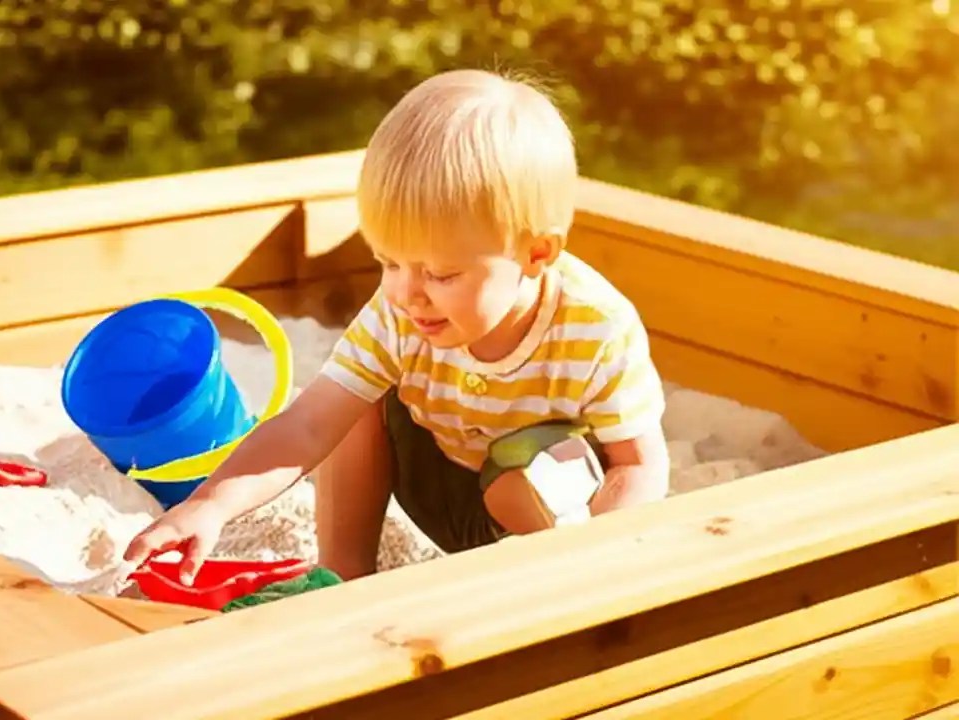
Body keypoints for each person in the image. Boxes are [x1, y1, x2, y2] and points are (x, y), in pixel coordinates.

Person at [123, 68, 671, 584]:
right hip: (439, 485)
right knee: (353, 396)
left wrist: (595, 561)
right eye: (388, 262)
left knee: (524, 470)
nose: (407, 293)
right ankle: (344, 574)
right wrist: (209, 503)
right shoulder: (401, 313)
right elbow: (310, 425)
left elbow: (639, 467)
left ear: (536, 253)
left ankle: (528, 586)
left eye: (440, 273)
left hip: (548, 515)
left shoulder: (596, 328)